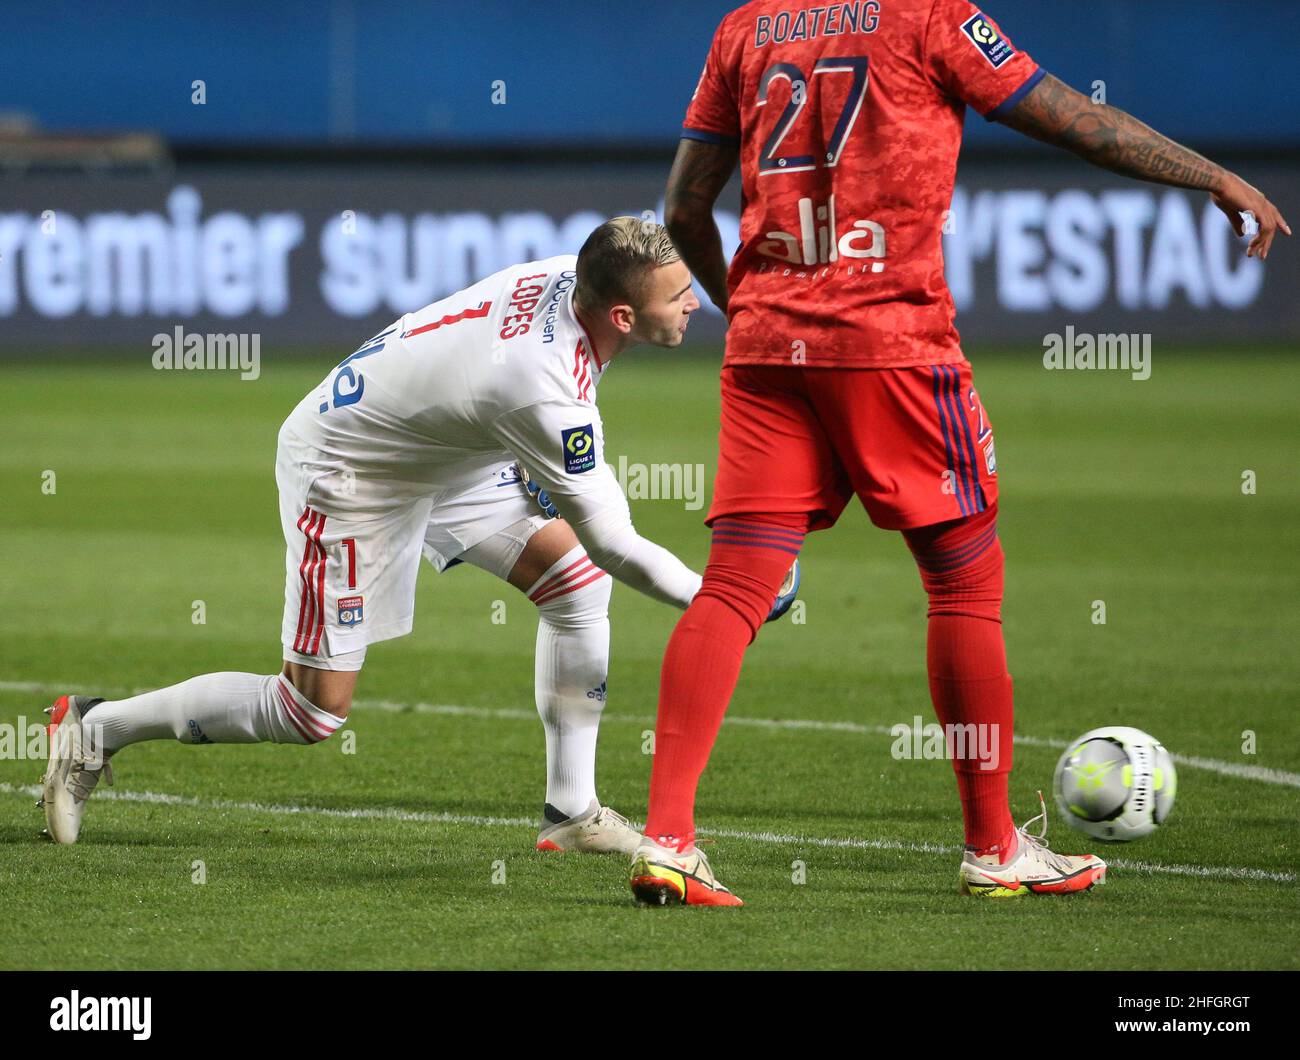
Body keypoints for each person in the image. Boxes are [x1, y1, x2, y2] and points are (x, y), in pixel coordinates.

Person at [628, 0, 1290, 905]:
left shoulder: (747, 26)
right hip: (894, 346)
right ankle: (992, 845)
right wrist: (1212, 175)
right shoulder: (931, 16)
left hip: (769, 347)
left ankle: (667, 840)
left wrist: (748, 308)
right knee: (963, 581)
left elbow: (682, 205)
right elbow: (1077, 120)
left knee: (737, 583)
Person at [41, 218, 778, 856]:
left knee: (574, 583)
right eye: (679, 293)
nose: (695, 301)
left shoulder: (575, 276)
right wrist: (725, 599)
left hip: (445, 454)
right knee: (312, 712)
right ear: (622, 315)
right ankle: (96, 727)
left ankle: (572, 812)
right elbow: (615, 539)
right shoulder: (541, 384)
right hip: (349, 471)